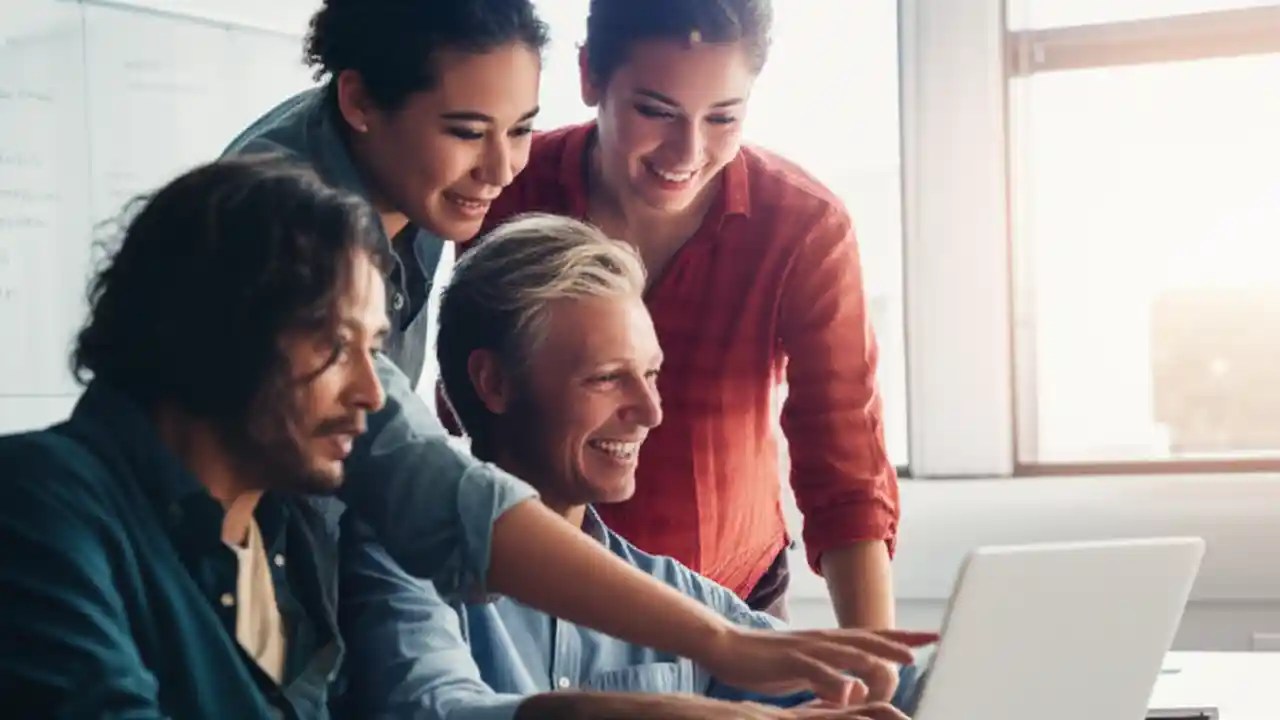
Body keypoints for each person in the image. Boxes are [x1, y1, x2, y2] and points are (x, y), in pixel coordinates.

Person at [223, 0, 924, 706]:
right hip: (292, 577)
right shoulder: (303, 226)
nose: (499, 168)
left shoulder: (422, 178)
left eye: (519, 128)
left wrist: (867, 681)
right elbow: (406, 463)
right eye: (468, 131)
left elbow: (843, 462)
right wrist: (715, 643)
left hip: (694, 587)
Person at [339, 214, 928, 718]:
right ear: (493, 382)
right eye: (605, 378)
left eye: (650, 374)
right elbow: (437, 711)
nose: (650, 412)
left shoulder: (678, 594)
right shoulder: (399, 555)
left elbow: (890, 686)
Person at [475, 0, 899, 627]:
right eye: (655, 111)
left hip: (732, 609)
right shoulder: (504, 185)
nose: (688, 151)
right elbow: (467, 388)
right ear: (591, 76)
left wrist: (874, 663)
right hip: (531, 602)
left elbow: (845, 467)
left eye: (723, 117)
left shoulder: (804, 228)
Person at [0, 158, 393, 717]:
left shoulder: (293, 538)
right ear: (220, 327)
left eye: (373, 349)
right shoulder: (35, 500)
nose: (372, 394)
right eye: (335, 345)